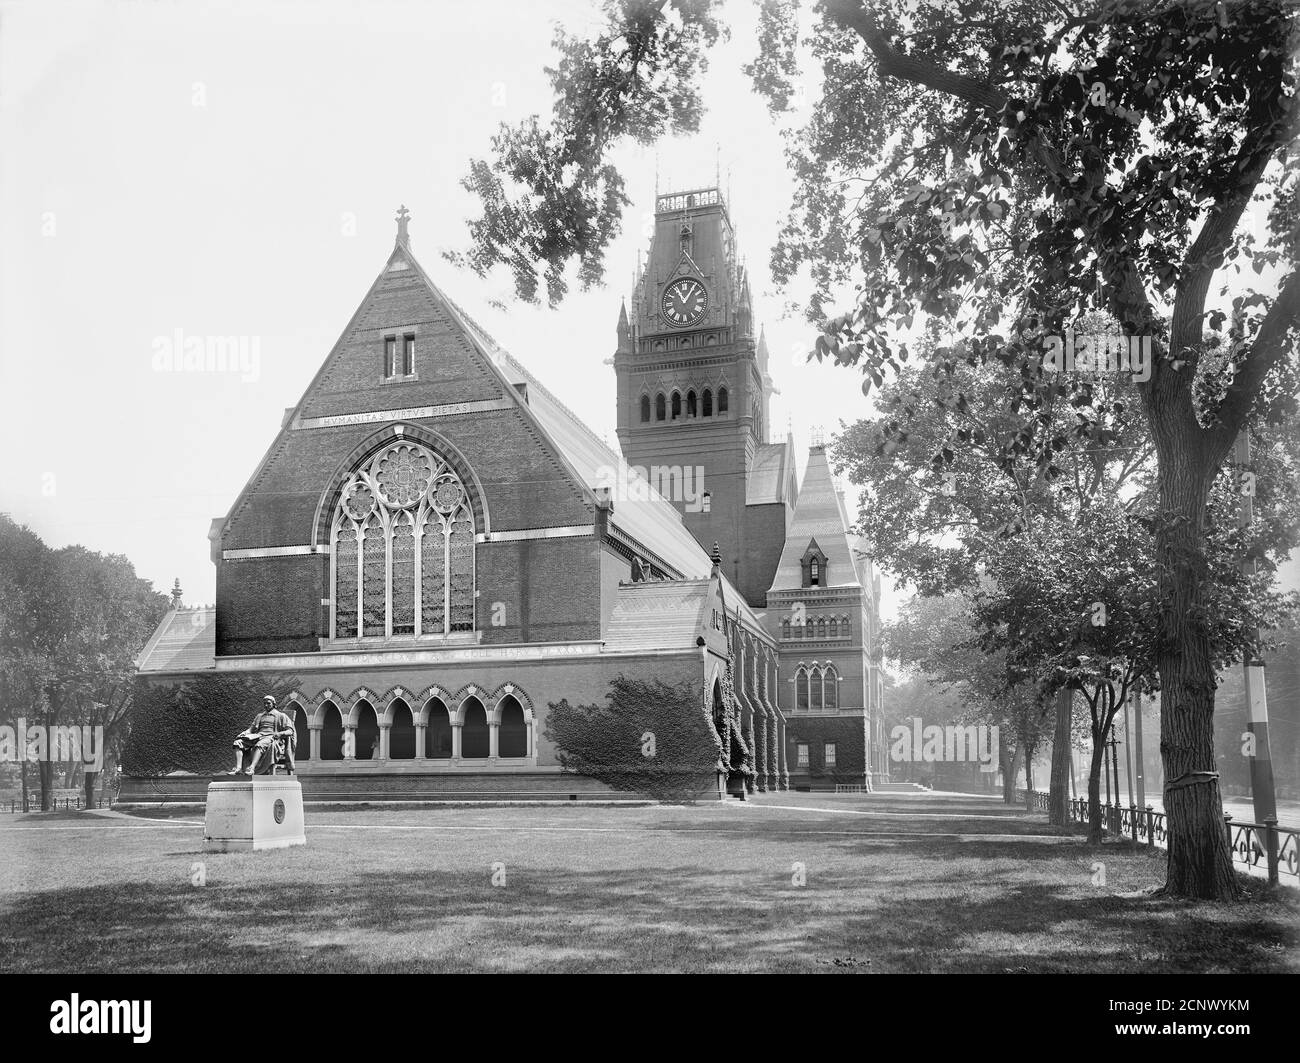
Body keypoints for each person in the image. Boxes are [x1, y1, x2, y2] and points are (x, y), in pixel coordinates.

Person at [230, 696, 297, 775]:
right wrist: (244, 733)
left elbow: (290, 731)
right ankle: (238, 768)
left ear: (273, 704)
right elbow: (251, 729)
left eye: (268, 703)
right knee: (238, 742)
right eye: (264, 703)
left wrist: (280, 733)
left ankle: (251, 768)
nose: (266, 705)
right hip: (257, 736)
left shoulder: (281, 716)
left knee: (260, 744)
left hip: (271, 737)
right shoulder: (259, 716)